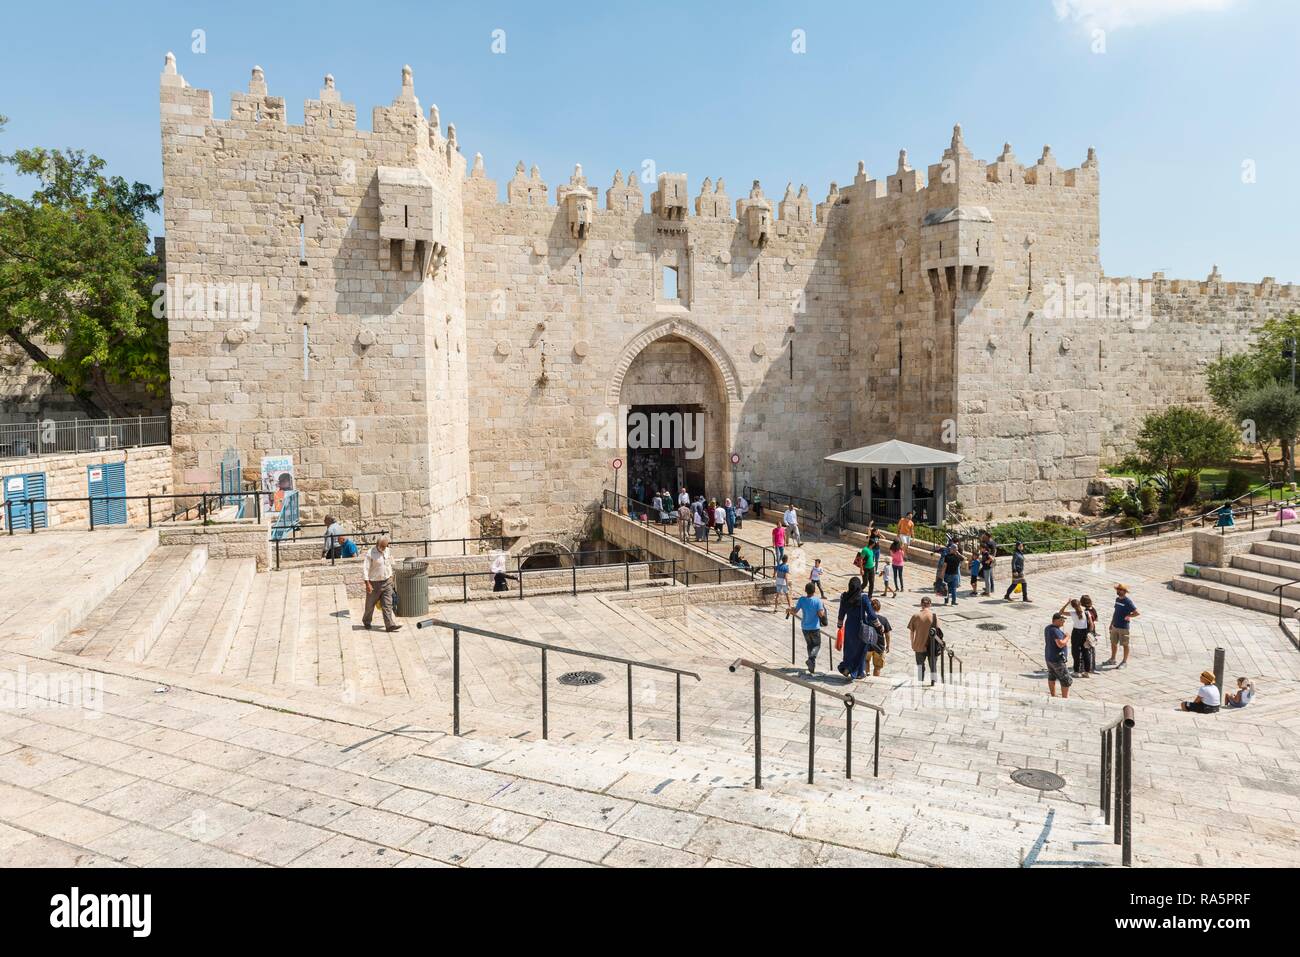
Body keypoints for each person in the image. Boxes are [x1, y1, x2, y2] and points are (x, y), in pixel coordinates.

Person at [836, 576, 880, 681]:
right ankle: (858, 672)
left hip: (849, 627)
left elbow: (841, 612)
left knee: (849, 649)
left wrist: (840, 625)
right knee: (861, 651)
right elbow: (871, 614)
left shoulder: (844, 597)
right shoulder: (863, 598)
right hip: (861, 628)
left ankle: (848, 667)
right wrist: (879, 625)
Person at [362, 535, 401, 631]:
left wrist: (391, 576)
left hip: (387, 582)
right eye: (382, 546)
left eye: (385, 546)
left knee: (387, 604)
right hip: (374, 583)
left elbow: (390, 564)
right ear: (377, 544)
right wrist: (367, 584)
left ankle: (389, 625)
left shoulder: (387, 551)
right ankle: (366, 621)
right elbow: (365, 569)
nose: (384, 548)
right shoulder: (370, 553)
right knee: (370, 605)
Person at [793, 583, 828, 673]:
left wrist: (789, 609)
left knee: (809, 645)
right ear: (814, 591)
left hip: (805, 627)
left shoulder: (802, 599)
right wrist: (824, 612)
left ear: (805, 590)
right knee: (817, 645)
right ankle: (811, 659)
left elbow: (795, 611)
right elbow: (821, 614)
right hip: (814, 627)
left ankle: (811, 666)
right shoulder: (817, 601)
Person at [1105, 583, 1139, 668]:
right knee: (1113, 643)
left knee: (1125, 644)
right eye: (1117, 589)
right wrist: (1111, 623)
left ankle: (1124, 662)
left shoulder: (1128, 601)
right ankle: (1112, 659)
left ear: (1124, 591)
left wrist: (1129, 616)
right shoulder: (1117, 599)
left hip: (1123, 627)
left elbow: (1137, 613)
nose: (1118, 591)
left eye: (1120, 590)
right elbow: (1115, 612)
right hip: (1115, 626)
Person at [907, 596, 940, 685]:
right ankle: (933, 682)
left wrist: (912, 643)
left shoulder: (915, 616)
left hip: (919, 645)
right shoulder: (934, 616)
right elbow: (938, 632)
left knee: (920, 666)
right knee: (933, 666)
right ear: (930, 604)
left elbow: (912, 632)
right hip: (932, 646)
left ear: (921, 604)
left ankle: (920, 681)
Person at [1044, 612, 1072, 698]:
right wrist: (1067, 637)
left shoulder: (1048, 628)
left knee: (1052, 676)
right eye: (1062, 620)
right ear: (1055, 620)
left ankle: (1053, 695)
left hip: (1049, 657)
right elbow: (1060, 644)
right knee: (1066, 680)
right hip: (1057, 659)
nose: (1063, 622)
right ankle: (1064, 698)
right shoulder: (1055, 630)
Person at [1061, 598, 1090, 677]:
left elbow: (1061, 612)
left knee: (1075, 652)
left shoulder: (1073, 613)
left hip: (1076, 633)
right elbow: (1091, 623)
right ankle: (1086, 672)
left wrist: (1067, 603)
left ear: (1072, 606)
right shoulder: (1086, 612)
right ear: (1080, 604)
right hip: (1084, 632)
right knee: (1085, 652)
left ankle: (1076, 671)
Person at [867, 598, 891, 677]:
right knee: (877, 667)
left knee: (866, 662)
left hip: (867, 646)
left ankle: (867, 676)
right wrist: (888, 645)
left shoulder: (866, 618)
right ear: (879, 608)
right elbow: (887, 634)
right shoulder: (883, 619)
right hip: (879, 646)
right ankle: (875, 680)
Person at [1080, 594, 1098, 676]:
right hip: (1093, 632)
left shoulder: (1085, 611)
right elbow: (1096, 619)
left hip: (1086, 631)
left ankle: (1084, 667)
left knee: (1085, 650)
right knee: (1092, 650)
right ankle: (1092, 667)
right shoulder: (1093, 609)